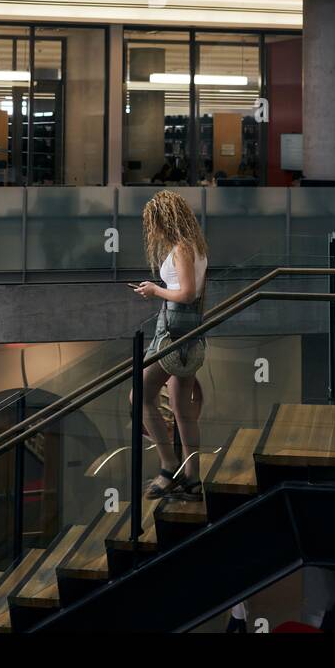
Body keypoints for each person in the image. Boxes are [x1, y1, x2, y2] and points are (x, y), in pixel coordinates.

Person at [130, 190, 208, 502]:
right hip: (191, 331)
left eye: (155, 223)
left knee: (141, 396)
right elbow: (198, 295)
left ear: (165, 220)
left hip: (173, 332)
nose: (153, 231)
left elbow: (186, 293)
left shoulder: (183, 250)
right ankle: (192, 479)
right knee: (182, 410)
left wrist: (154, 290)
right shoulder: (198, 248)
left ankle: (168, 466)